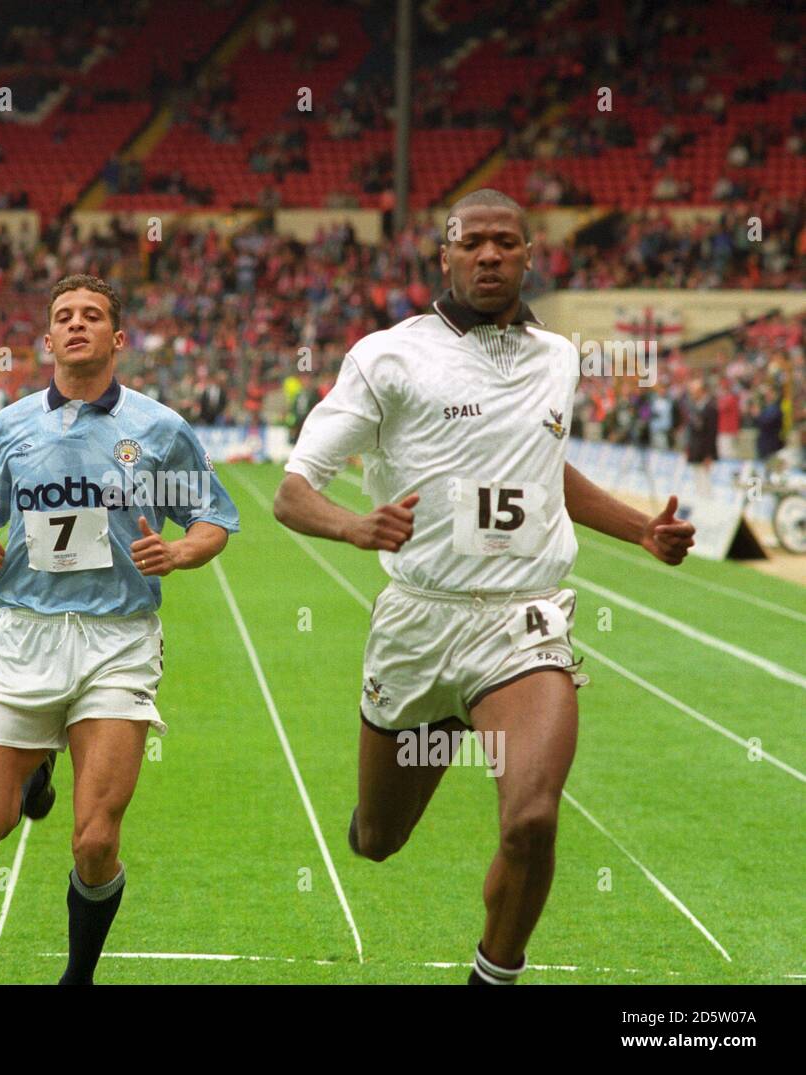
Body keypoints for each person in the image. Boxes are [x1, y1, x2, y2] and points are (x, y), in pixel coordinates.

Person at [273, 190, 695, 986]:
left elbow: (544, 467)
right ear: (447, 255)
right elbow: (294, 489)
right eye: (474, 243)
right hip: (419, 624)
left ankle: (492, 974)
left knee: (532, 819)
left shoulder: (557, 357)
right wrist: (355, 526)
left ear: (531, 254)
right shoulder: (388, 356)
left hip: (522, 622)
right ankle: (431, 742)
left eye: (507, 242)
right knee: (377, 838)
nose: (490, 255)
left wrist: (639, 528)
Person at [0, 273, 240, 985]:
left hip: (117, 639)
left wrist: (178, 550)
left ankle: (77, 974)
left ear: (117, 337)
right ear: (46, 340)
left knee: (95, 839)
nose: (76, 325)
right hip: (24, 637)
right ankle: (39, 761)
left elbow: (215, 520)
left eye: (92, 315)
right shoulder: (11, 425)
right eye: (63, 317)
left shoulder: (158, 430)